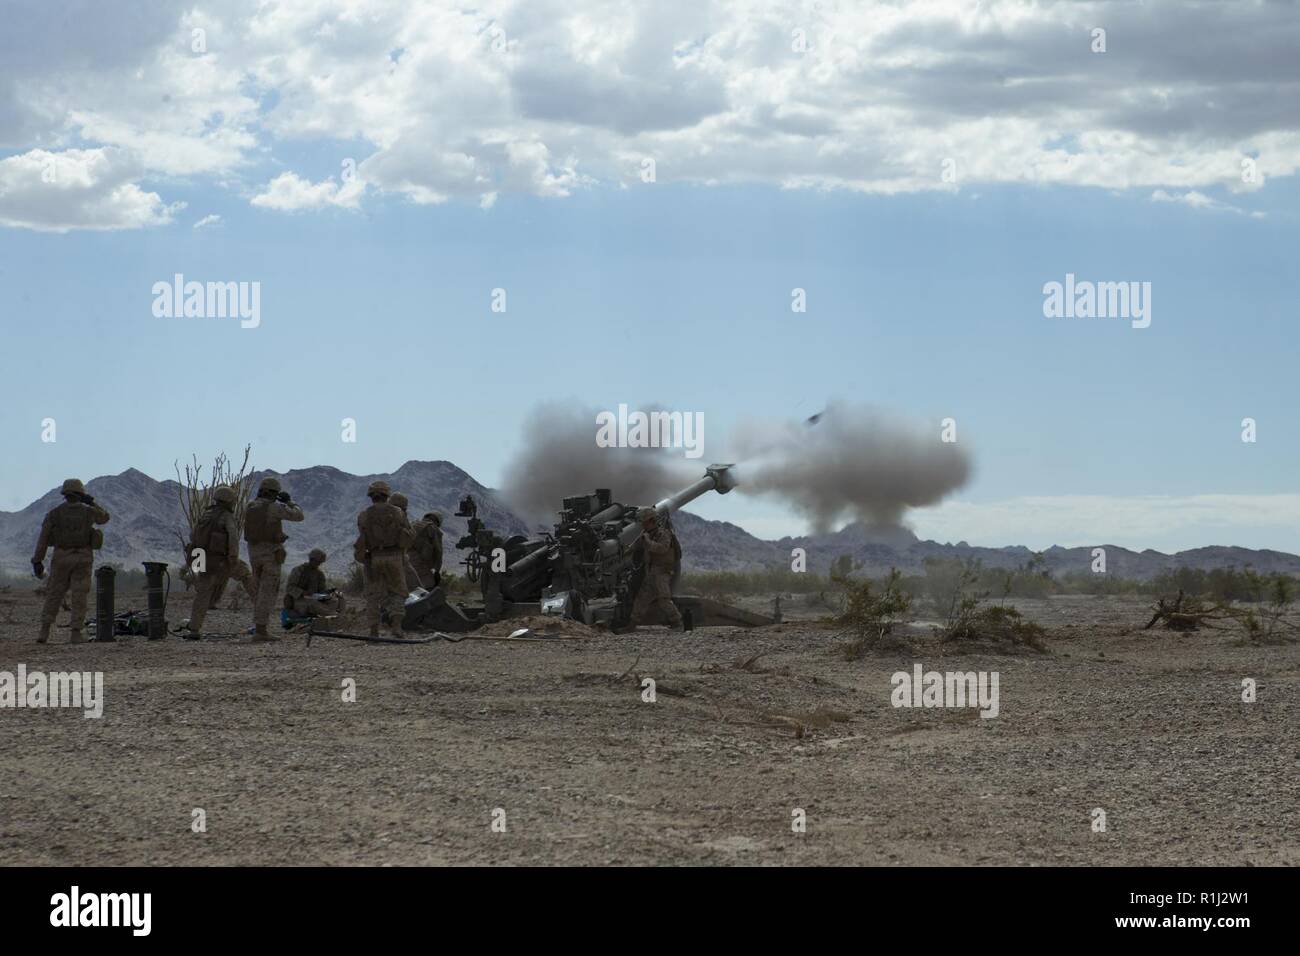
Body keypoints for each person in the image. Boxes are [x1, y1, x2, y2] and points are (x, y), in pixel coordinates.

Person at [31, 478, 110, 644]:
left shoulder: (55, 513)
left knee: (54, 593)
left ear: (64, 494)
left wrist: (37, 561)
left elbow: (43, 539)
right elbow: (104, 518)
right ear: (81, 494)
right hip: (82, 557)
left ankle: (44, 631)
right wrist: (92, 502)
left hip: (61, 557)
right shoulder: (88, 511)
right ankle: (75, 633)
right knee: (79, 595)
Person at [183, 484, 255, 638]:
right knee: (246, 575)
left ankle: (194, 629)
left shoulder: (205, 515)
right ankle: (261, 614)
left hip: (202, 559)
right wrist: (233, 560)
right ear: (229, 501)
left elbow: (193, 537)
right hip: (220, 560)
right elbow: (233, 541)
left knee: (202, 594)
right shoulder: (227, 517)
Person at [243, 476, 304, 642]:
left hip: (253, 553)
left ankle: (258, 626)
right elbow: (299, 516)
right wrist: (290, 502)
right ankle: (261, 631)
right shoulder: (274, 507)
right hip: (270, 553)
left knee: (258, 589)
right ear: (275, 493)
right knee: (268, 591)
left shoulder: (250, 506)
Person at [355, 481, 412, 637]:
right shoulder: (399, 513)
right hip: (394, 557)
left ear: (371, 496)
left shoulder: (364, 515)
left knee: (373, 595)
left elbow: (362, 538)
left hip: (374, 557)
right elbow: (408, 536)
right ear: (387, 495)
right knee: (398, 592)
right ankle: (397, 627)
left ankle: (374, 630)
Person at [630, 508, 683, 629]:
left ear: (652, 521)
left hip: (662, 572)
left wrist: (647, 541)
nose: (643, 525)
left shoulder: (664, 534)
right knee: (641, 598)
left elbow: (662, 549)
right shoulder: (648, 535)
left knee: (664, 599)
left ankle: (677, 622)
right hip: (651, 572)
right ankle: (632, 624)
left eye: (645, 522)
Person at [283, 549, 346, 618]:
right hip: (299, 601)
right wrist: (303, 592)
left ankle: (334, 614)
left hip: (316, 598)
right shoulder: (298, 570)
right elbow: (290, 587)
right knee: (313, 603)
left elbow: (321, 591)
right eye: (318, 562)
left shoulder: (319, 574)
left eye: (320, 562)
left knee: (335, 600)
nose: (319, 564)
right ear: (311, 559)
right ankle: (336, 615)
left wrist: (331, 591)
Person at [388, 492, 423, 592]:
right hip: (399, 557)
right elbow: (410, 538)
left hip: (377, 559)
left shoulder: (377, 514)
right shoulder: (400, 515)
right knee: (417, 589)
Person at [410, 511, 443, 590]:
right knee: (429, 586)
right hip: (421, 563)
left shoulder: (413, 525)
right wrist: (437, 571)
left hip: (405, 561)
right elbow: (438, 551)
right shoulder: (433, 529)